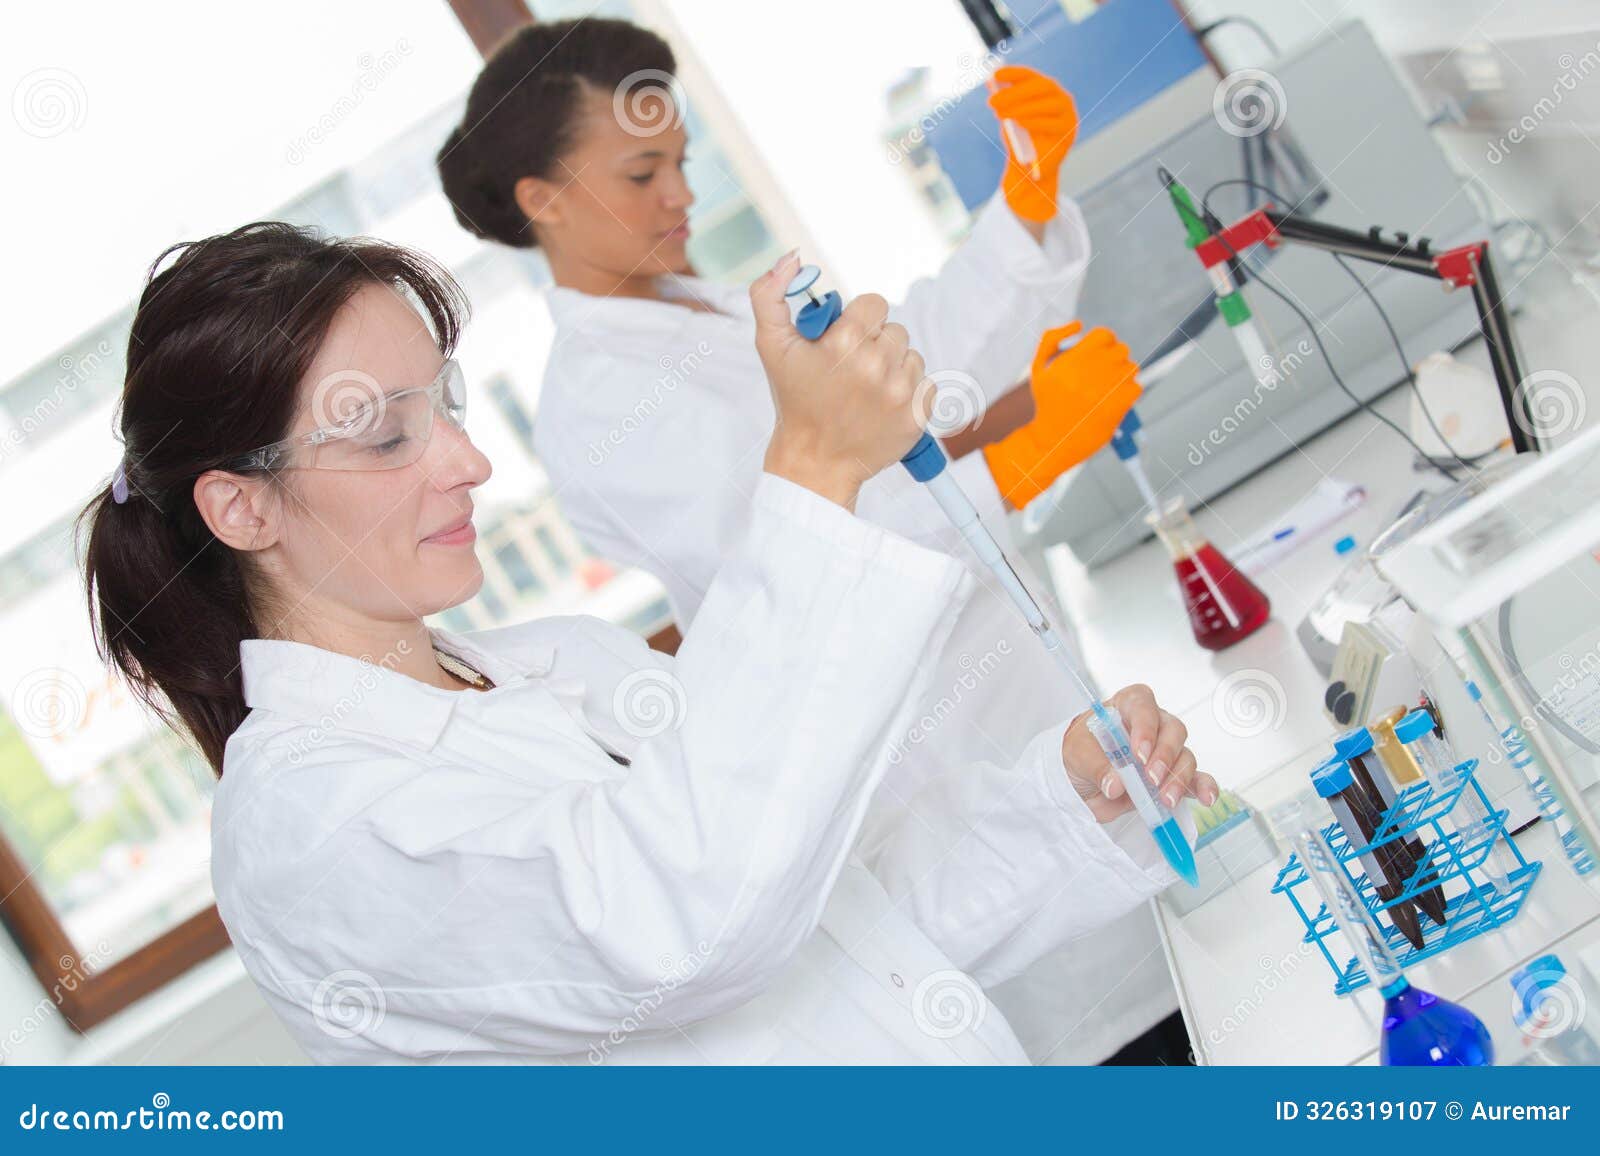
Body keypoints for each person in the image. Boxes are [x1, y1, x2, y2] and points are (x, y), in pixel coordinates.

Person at [79, 225, 1212, 1063]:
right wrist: (814, 463)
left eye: (446, 404)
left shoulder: (565, 661)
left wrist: (1058, 804)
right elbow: (676, 927)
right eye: (384, 435)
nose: (468, 461)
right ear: (242, 508)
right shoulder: (306, 832)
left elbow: (841, 940)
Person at [436, 18, 1176, 1063]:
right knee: (1120, 1031)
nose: (681, 195)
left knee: (1176, 950)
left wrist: (1025, 204)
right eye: (642, 173)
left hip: (1033, 707)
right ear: (542, 199)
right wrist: (1016, 460)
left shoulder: (703, 306)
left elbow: (908, 370)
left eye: (681, 160)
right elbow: (801, 566)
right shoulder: (598, 403)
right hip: (933, 761)